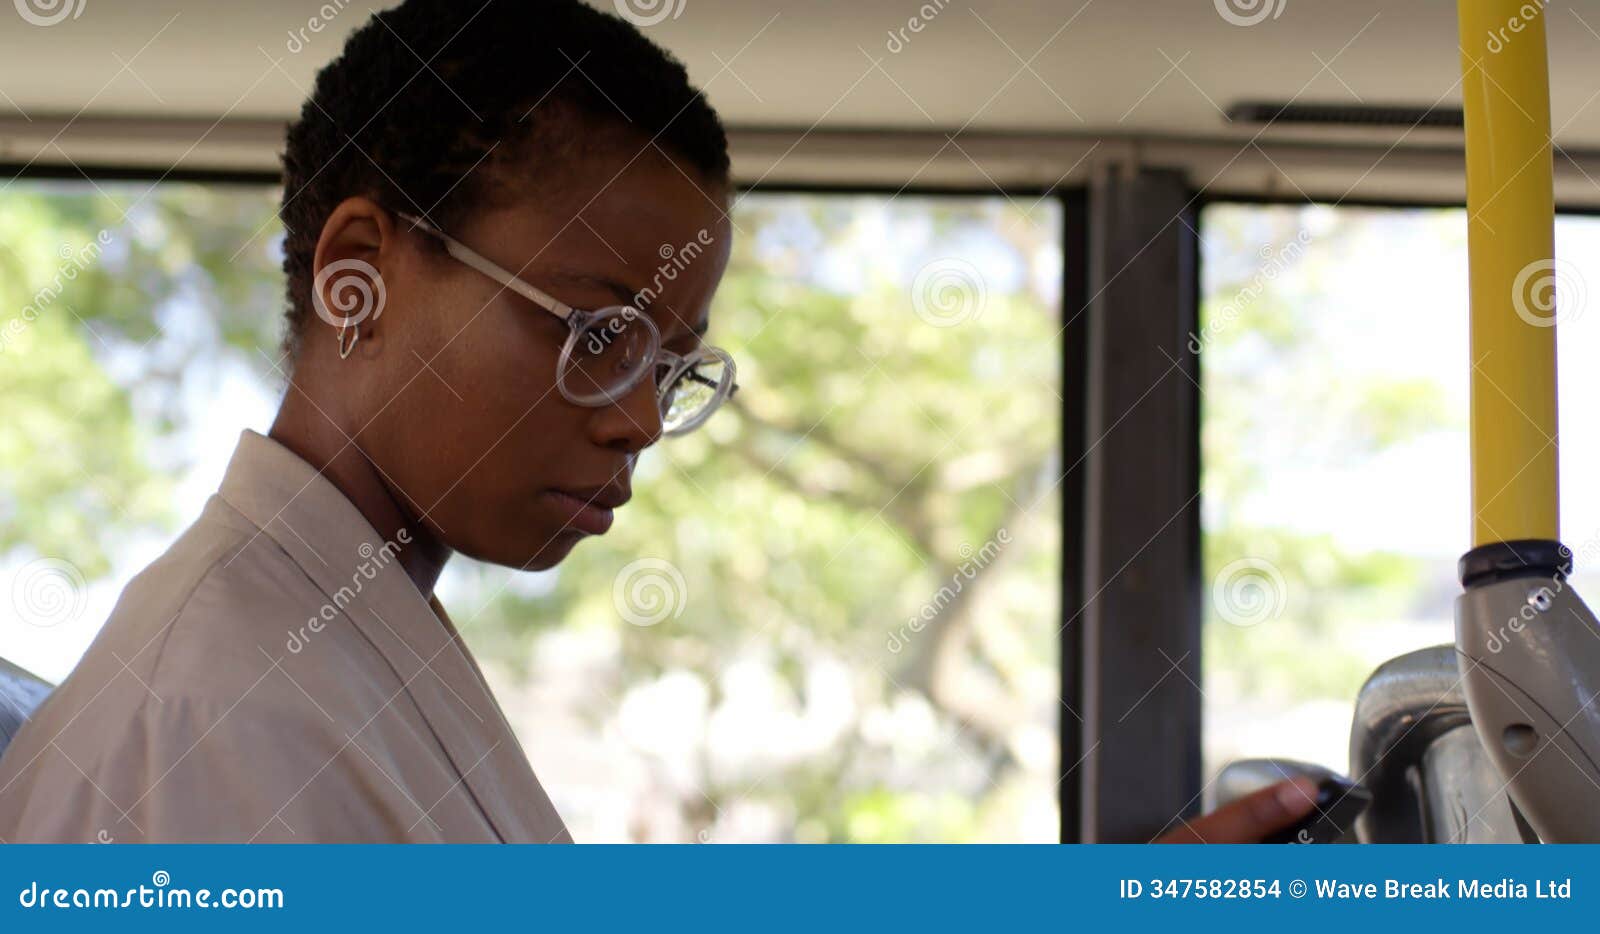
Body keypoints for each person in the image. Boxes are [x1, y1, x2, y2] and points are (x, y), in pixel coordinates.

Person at [0, 0, 1314, 844]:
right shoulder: (224, 714)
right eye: (596, 333)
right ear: (362, 275)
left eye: (672, 363)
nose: (636, 422)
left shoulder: (340, 641)